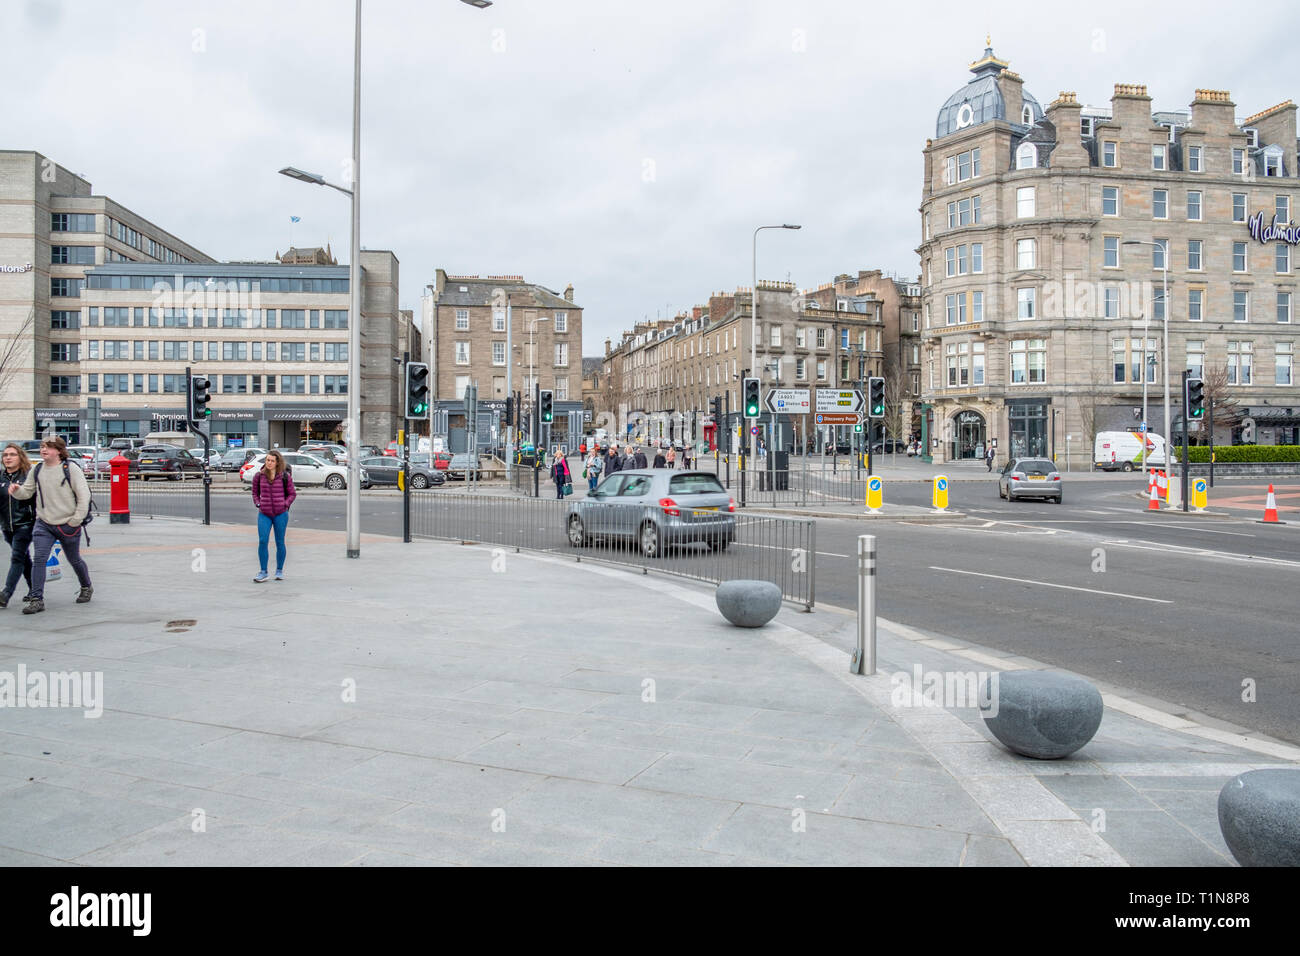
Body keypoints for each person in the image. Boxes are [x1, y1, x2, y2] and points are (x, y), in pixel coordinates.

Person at [6, 436, 93, 614]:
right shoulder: (37, 469)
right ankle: (37, 599)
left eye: (48, 447)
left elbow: (84, 497)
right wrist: (17, 491)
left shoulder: (71, 469)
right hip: (44, 523)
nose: (43, 450)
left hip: (67, 523)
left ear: (59, 451)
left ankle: (86, 586)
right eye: (42, 447)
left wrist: (75, 521)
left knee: (74, 559)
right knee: (39, 559)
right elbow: (27, 492)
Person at [251, 449, 296, 582]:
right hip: (264, 514)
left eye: (272, 461)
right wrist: (258, 503)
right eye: (267, 460)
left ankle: (279, 570)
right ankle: (263, 571)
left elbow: (292, 494)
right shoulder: (259, 476)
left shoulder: (284, 476)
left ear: (277, 463)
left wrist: (285, 505)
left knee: (280, 542)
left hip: (280, 514)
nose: (269, 463)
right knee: (263, 540)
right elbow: (254, 492)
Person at [0, 443, 36, 608]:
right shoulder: (1, 477)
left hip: (25, 524)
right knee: (24, 558)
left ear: (20, 457)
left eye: (12, 454)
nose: (8, 457)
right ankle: (34, 589)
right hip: (7, 526)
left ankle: (6, 593)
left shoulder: (28, 476)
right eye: (5, 455)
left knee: (17, 557)